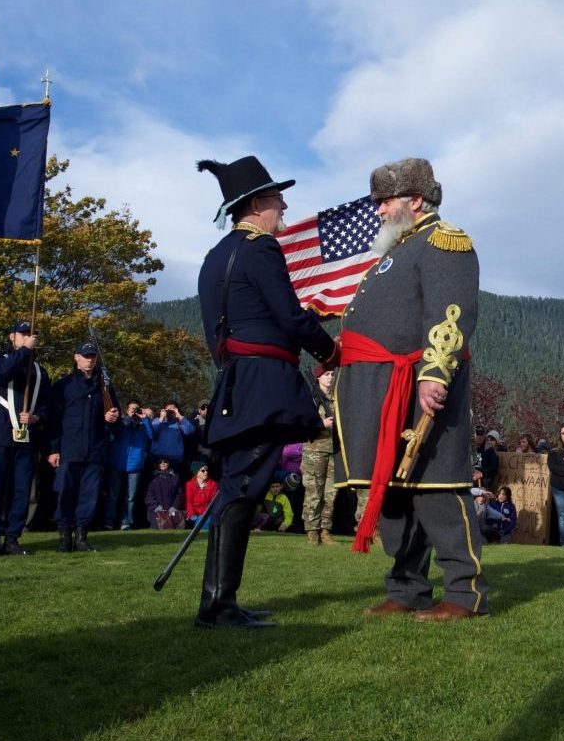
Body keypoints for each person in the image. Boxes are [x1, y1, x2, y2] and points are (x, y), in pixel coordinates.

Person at [334, 157, 488, 622]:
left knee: (439, 490)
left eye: (385, 201)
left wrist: (433, 376)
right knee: (397, 492)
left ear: (415, 200)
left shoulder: (445, 242)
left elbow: (449, 317)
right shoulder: (398, 249)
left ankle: (464, 595)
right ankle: (406, 588)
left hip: (419, 385)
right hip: (386, 391)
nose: (378, 210)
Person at [196, 154, 338, 628]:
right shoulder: (260, 250)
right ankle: (218, 605)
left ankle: (219, 601)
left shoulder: (214, 257)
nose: (284, 205)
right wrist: (330, 351)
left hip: (235, 384)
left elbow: (215, 335)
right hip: (261, 386)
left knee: (238, 487)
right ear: (257, 204)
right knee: (243, 489)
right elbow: (289, 315)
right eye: (277, 198)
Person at [0, 320, 51, 556]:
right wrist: (23, 352)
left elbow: (47, 406)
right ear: (12, 337)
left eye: (30, 334)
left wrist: (37, 418)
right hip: (0, 436)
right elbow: (1, 375)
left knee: (22, 490)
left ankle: (13, 537)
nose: (27, 337)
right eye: (22, 334)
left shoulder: (40, 371)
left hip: (26, 438)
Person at [49, 340, 119, 553]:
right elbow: (54, 419)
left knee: (89, 496)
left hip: (95, 450)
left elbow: (115, 416)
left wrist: (112, 417)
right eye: (86, 356)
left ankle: (81, 537)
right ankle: (64, 537)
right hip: (69, 449)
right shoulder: (64, 385)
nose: (90, 360)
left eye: (92, 356)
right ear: (76, 357)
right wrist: (54, 448)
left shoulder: (104, 387)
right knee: (64, 494)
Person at [302, 364, 337, 546]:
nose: (330, 377)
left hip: (334, 451)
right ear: (318, 378)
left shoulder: (336, 399)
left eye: (332, 374)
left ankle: (325, 530)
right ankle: (312, 530)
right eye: (326, 374)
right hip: (315, 450)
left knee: (330, 493)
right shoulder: (310, 399)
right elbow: (301, 424)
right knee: (314, 491)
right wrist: (320, 424)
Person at [109, 400, 154, 530]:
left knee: (130, 497)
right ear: (127, 410)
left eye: (137, 409)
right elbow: (114, 433)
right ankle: (109, 522)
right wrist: (128, 419)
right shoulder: (122, 423)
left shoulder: (143, 427)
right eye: (131, 409)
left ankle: (128, 522)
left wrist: (144, 420)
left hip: (135, 465)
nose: (134, 412)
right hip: (118, 463)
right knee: (113, 495)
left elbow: (152, 436)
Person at [151, 400, 195, 476]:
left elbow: (190, 431)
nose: (170, 412)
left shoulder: (179, 422)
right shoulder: (157, 421)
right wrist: (161, 418)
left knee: (174, 484)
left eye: (173, 409)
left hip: (175, 459)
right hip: (159, 459)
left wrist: (179, 416)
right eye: (168, 409)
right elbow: (151, 432)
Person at [145, 458, 184, 530]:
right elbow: (148, 496)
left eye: (165, 461)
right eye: (160, 462)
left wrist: (174, 506)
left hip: (171, 510)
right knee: (159, 526)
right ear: (156, 464)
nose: (163, 463)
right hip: (156, 511)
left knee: (175, 526)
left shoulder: (175, 477)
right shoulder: (152, 478)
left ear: (169, 463)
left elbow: (179, 494)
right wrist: (156, 507)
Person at [185, 463, 219, 527]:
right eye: (203, 470)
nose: (206, 472)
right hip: (194, 515)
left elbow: (213, 502)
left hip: (207, 514)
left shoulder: (213, 484)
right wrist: (192, 515)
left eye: (207, 470)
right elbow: (189, 501)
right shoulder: (189, 485)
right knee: (197, 520)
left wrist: (207, 513)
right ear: (196, 473)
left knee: (205, 521)